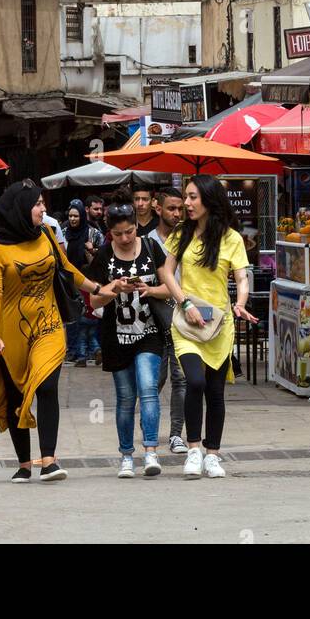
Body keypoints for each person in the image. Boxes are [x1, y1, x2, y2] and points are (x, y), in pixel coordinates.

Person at [0, 184, 101, 482]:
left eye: (43, 203)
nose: (43, 209)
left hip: (48, 326)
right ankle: (24, 463)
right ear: (20, 209)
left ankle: (49, 460)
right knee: (16, 396)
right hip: (11, 333)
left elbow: (68, 269)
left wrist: (98, 289)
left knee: (46, 385)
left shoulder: (46, 234)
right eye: (37, 204)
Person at [159, 175, 258, 479]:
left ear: (208, 200)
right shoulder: (181, 235)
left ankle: (212, 455)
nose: (186, 204)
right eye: (185, 197)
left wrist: (240, 302)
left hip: (218, 325)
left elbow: (241, 277)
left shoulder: (231, 239)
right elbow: (167, 272)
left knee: (215, 391)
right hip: (187, 323)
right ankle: (192, 449)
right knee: (195, 382)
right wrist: (184, 303)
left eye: (192, 198)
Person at [89, 204, 170, 477]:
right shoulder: (103, 255)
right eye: (117, 234)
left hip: (149, 332)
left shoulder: (150, 247)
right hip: (116, 336)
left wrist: (150, 289)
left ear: (137, 226)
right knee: (125, 398)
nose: (124, 238)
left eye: (129, 231)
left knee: (148, 388)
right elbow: (94, 299)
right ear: (109, 232)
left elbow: (168, 286)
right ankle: (126, 455)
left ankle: (150, 451)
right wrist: (115, 289)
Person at [149, 186, 188, 453]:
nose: (176, 213)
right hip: (154, 320)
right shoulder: (147, 242)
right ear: (157, 207)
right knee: (154, 379)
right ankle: (149, 429)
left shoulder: (189, 240)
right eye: (171, 208)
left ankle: (177, 434)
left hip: (184, 318)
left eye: (180, 208)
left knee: (181, 378)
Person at [63, 201, 100, 364]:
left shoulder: (93, 233)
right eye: (70, 216)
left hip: (88, 280)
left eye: (76, 216)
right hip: (69, 282)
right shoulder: (63, 233)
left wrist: (91, 250)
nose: (72, 219)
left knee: (88, 318)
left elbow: (100, 261)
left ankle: (88, 351)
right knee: (72, 318)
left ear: (82, 216)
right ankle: (75, 351)